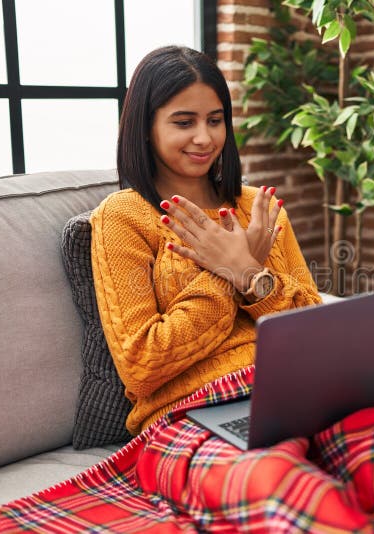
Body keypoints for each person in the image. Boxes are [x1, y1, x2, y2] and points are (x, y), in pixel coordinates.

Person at [90, 45, 322, 436]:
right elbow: (142, 365)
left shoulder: (258, 207)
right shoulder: (123, 217)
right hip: (192, 417)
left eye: (215, 120)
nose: (204, 138)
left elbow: (317, 334)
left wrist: (249, 271)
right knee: (283, 481)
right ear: (145, 128)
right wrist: (229, 271)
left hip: (296, 391)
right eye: (184, 122)